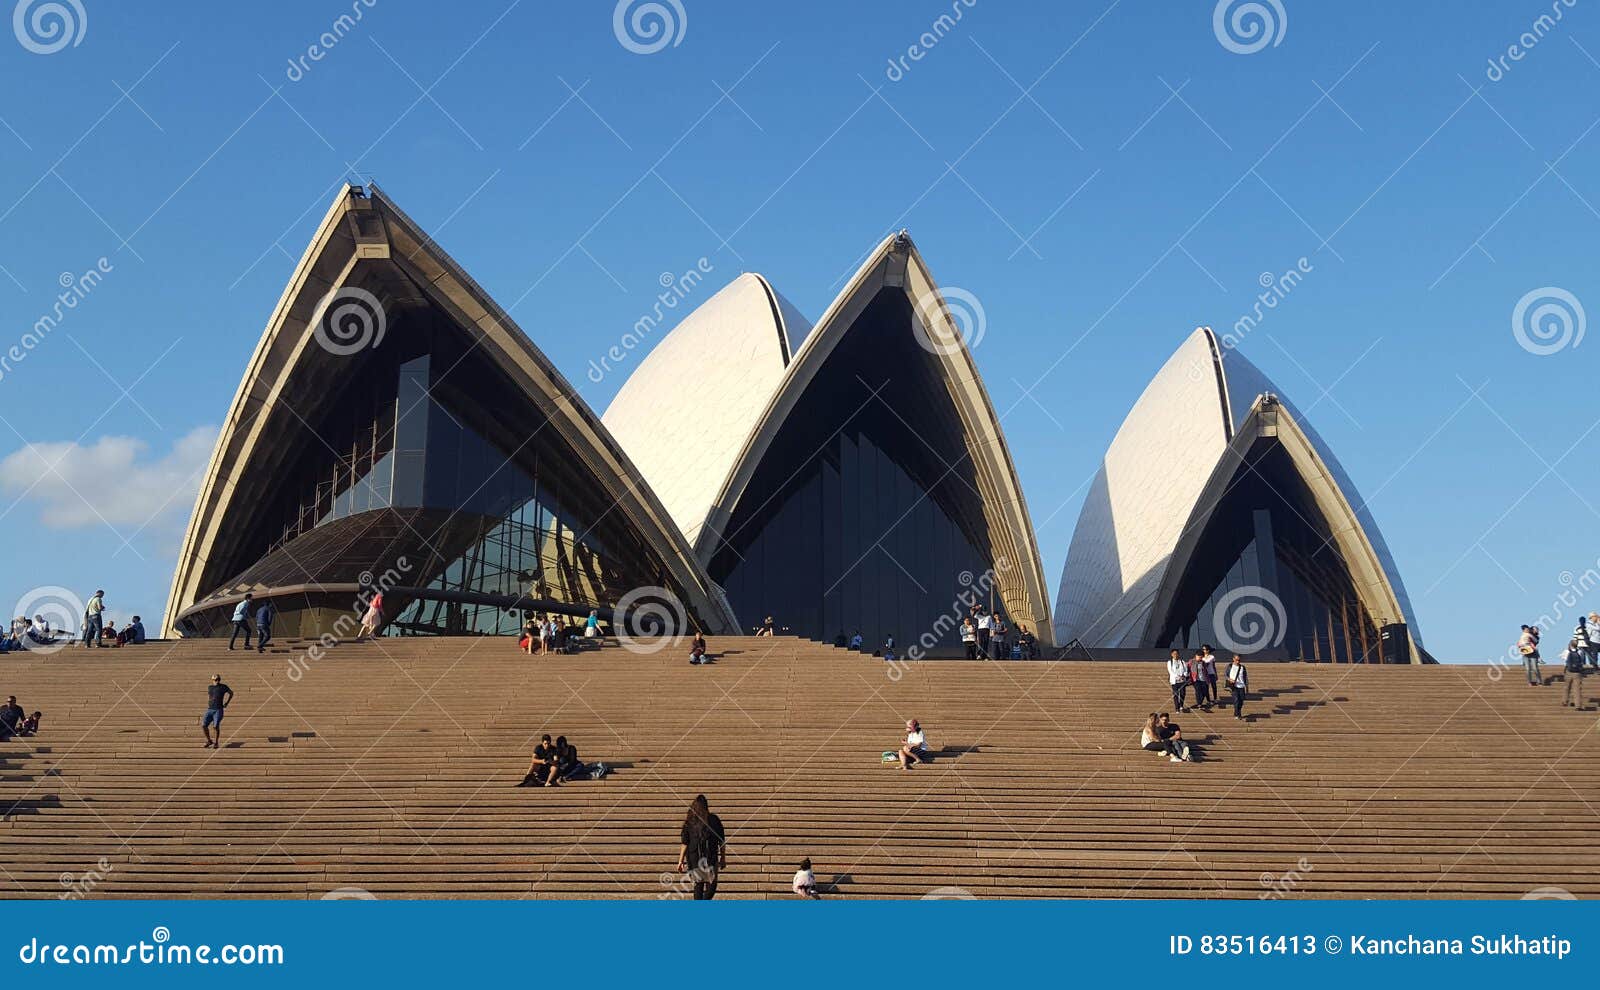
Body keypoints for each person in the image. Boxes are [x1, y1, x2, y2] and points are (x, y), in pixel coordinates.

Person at [676, 794, 726, 900]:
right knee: (711, 886)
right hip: (709, 857)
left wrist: (681, 861)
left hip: (696, 858)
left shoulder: (690, 821)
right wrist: (723, 857)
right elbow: (721, 841)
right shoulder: (713, 819)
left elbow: (684, 843)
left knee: (699, 886)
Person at [202, 675, 232, 749]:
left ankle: (216, 743)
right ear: (212, 680)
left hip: (218, 709)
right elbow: (210, 696)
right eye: (215, 680)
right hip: (210, 709)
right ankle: (209, 741)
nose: (217, 681)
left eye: (218, 679)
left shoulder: (223, 687)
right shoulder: (210, 687)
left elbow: (231, 693)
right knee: (203, 725)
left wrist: (227, 702)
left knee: (215, 726)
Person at [1563, 634, 1587, 709]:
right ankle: (1578, 705)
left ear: (1570, 645)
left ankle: (1565, 701)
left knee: (1567, 687)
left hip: (1569, 671)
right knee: (1577, 689)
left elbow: (1564, 659)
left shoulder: (1566, 652)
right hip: (1578, 672)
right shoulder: (1580, 652)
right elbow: (1582, 661)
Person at [1226, 654, 1249, 720]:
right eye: (1236, 660)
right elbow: (1226, 675)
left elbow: (1245, 677)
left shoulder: (1243, 667)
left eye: (1239, 660)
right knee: (1236, 700)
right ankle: (1237, 714)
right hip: (1234, 686)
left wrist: (1247, 687)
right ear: (1233, 659)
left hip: (1241, 686)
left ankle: (1237, 712)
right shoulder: (1230, 666)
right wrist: (1230, 679)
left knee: (1241, 701)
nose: (1238, 661)